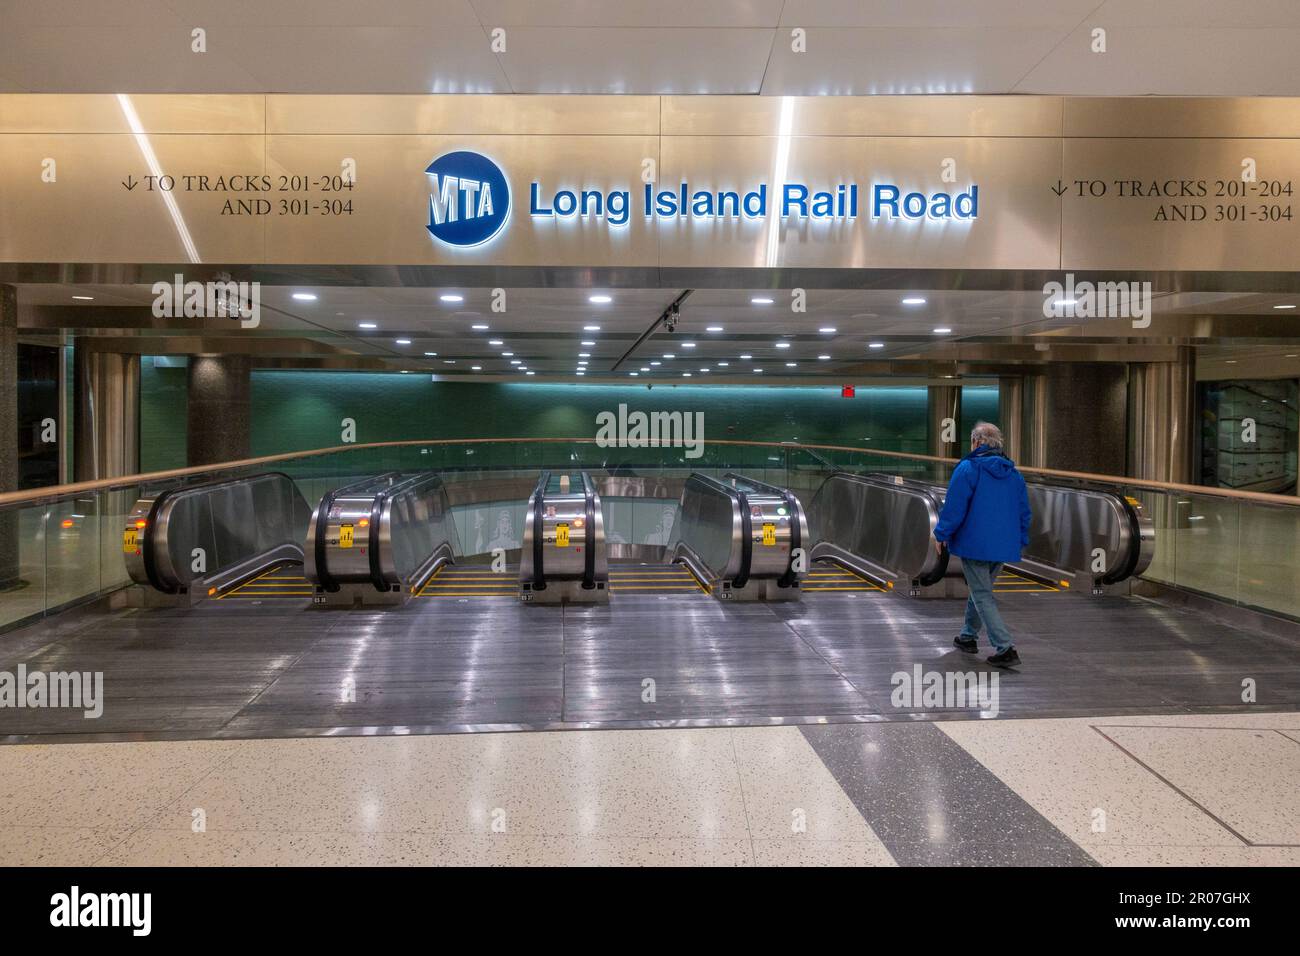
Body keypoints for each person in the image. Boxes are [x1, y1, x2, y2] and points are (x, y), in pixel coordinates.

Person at [932, 422, 1032, 668]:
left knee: (982, 594)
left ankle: (1005, 646)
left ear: (976, 442)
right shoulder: (1013, 473)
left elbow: (955, 506)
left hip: (975, 542)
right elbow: (1024, 512)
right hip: (1003, 545)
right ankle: (968, 636)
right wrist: (1021, 539)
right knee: (981, 590)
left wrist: (941, 533)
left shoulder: (969, 468)